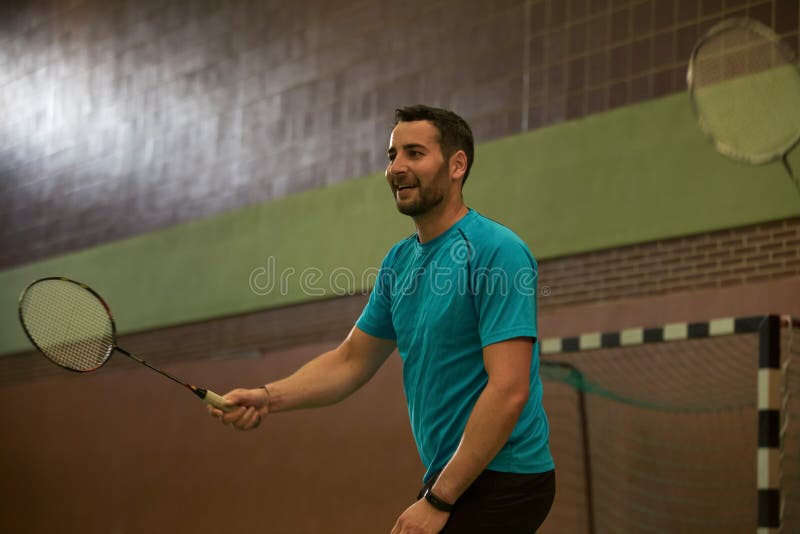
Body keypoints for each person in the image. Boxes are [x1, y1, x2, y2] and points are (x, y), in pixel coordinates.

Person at [208, 105, 555, 533]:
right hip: (453, 475)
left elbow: (509, 390)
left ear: (457, 165)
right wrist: (268, 396)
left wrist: (439, 500)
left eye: (414, 153)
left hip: (507, 478)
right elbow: (351, 359)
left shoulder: (497, 251)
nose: (397, 168)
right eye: (392, 155)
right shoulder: (399, 262)